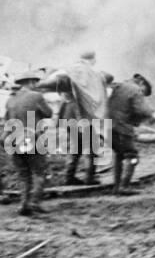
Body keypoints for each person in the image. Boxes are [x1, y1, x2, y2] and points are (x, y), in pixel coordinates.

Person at [39, 51, 109, 185]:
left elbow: (54, 83)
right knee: (92, 147)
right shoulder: (89, 73)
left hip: (69, 113)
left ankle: (69, 177)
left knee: (75, 147)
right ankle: (89, 178)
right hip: (83, 113)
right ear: (92, 60)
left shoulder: (68, 70)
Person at [2, 71, 53, 215]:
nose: (36, 84)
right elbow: (48, 113)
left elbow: (7, 121)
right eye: (35, 82)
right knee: (40, 172)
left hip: (14, 139)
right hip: (33, 138)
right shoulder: (36, 96)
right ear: (30, 82)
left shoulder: (10, 100)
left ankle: (23, 204)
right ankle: (34, 202)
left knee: (23, 174)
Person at [106, 73, 154, 194]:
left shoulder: (117, 86)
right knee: (132, 156)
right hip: (121, 127)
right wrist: (144, 117)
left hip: (106, 127)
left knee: (119, 154)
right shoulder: (135, 89)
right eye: (144, 92)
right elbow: (143, 111)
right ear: (141, 82)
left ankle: (117, 186)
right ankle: (124, 186)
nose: (142, 95)